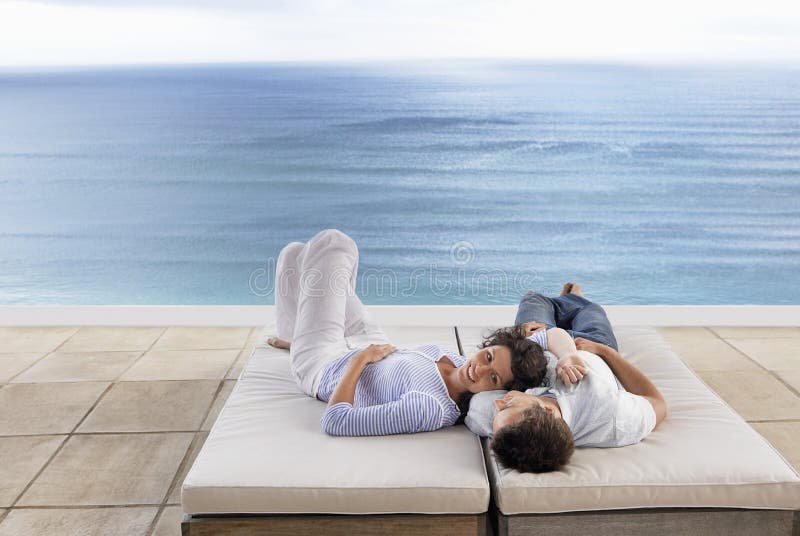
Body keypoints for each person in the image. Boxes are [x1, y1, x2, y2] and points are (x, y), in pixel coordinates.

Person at [268, 229, 560, 437]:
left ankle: (300, 344)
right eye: (488, 356)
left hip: (323, 365)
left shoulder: (429, 408)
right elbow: (535, 347)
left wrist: (360, 360)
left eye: (493, 377)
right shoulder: (458, 362)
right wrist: (540, 339)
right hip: (367, 341)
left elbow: (336, 421)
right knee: (295, 256)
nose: (479, 369)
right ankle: (296, 334)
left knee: (335, 244)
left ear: (497, 390)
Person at [466, 284, 667, 473]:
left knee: (534, 299)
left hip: (535, 346)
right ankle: (575, 298)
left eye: (497, 415)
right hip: (591, 344)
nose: (499, 402)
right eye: (508, 406)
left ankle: (563, 301)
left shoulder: (501, 423)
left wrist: (518, 337)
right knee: (588, 310)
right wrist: (605, 352)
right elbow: (657, 403)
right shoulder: (615, 418)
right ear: (547, 409)